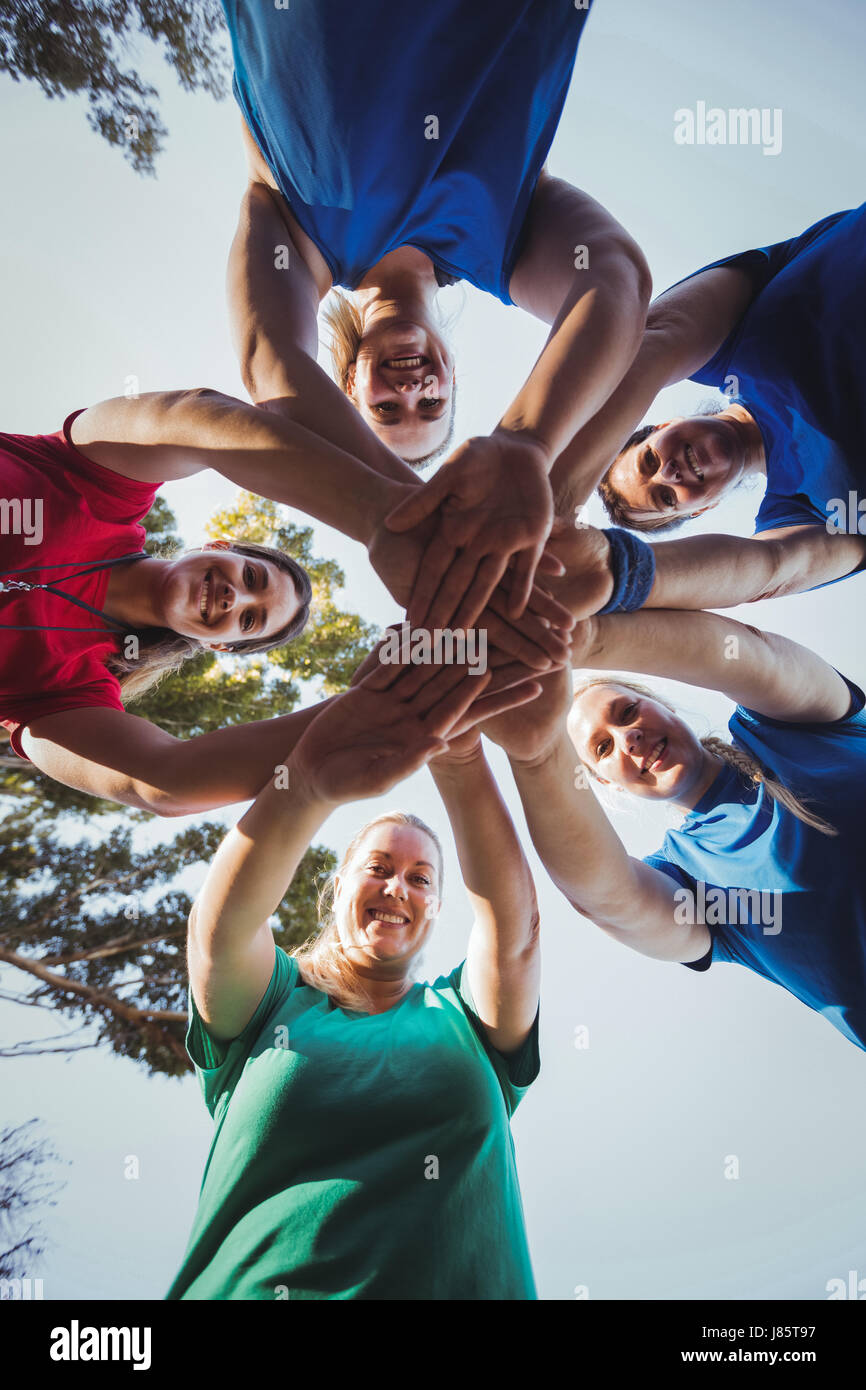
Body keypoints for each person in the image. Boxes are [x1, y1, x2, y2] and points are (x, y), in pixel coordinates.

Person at [222, 0, 651, 633]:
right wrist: (525, 442)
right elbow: (618, 280)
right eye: (431, 405)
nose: (410, 391)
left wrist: (400, 516)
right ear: (451, 374)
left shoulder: (298, 237)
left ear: (347, 384)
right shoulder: (508, 244)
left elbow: (272, 366)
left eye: (386, 410)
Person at [166, 658, 542, 1300]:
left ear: (436, 908)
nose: (397, 887)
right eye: (379, 867)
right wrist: (309, 782)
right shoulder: (273, 1004)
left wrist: (459, 749)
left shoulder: (466, 1018)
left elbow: (516, 936)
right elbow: (220, 930)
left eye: (420, 878)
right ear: (338, 886)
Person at [1, 393, 569, 811]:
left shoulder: (70, 691)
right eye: (250, 576)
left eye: (248, 619)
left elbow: (164, 780)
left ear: (220, 645)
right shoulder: (100, 485)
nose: (234, 597)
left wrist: (378, 705)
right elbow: (193, 420)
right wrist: (380, 516)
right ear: (218, 546)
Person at [484, 609, 866, 1051]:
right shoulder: (690, 881)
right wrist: (533, 754)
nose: (628, 738)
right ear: (605, 783)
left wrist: (574, 637)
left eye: (628, 712)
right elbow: (606, 896)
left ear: (662, 703)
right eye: (603, 748)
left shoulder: (787, 728)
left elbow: (748, 653)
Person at [541, 205, 866, 617]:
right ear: (702, 509)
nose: (669, 473)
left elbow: (652, 345)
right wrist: (614, 574)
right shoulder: (805, 512)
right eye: (665, 497)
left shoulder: (722, 348)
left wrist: (550, 505)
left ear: (665, 425)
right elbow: (768, 570)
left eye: (649, 459)